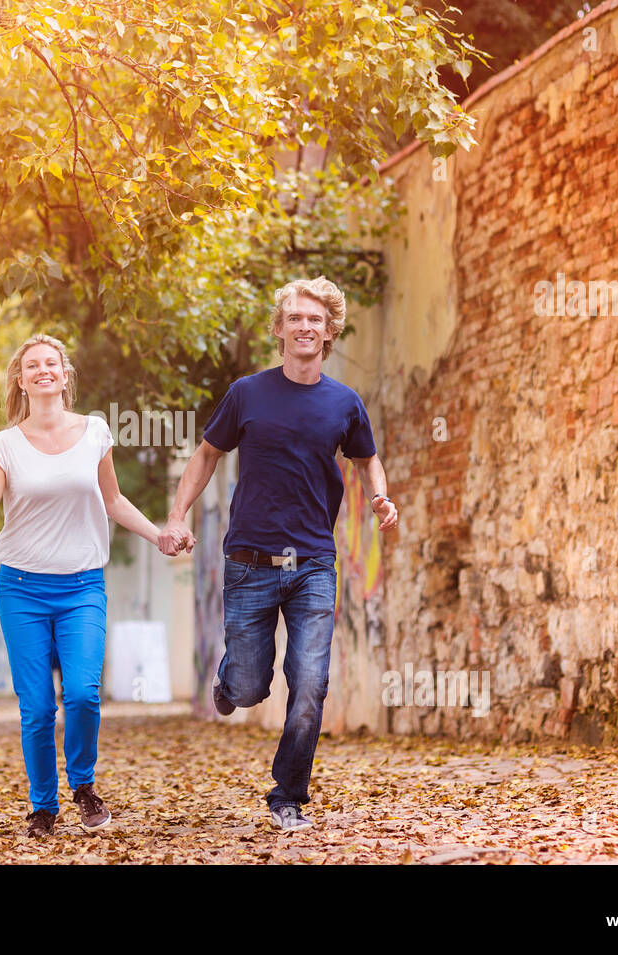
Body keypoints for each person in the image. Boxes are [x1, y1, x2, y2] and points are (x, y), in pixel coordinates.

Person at [159, 277, 399, 832]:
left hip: (313, 563)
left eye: (314, 320)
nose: (304, 327)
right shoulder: (247, 392)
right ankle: (228, 682)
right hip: (249, 561)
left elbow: (368, 460)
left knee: (311, 684)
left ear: (329, 330)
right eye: (295, 318)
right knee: (249, 687)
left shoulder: (345, 402)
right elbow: (206, 455)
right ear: (281, 328)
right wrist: (177, 515)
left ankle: (288, 793)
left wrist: (381, 496)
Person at [0, 333, 166, 837]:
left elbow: (114, 500)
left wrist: (158, 536)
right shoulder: (2, 447)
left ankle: (82, 786)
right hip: (21, 588)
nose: (43, 370)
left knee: (83, 694)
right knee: (38, 706)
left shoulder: (96, 433)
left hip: (83, 586)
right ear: (21, 380)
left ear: (65, 375)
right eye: (32, 365)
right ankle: (43, 806)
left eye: (52, 363)